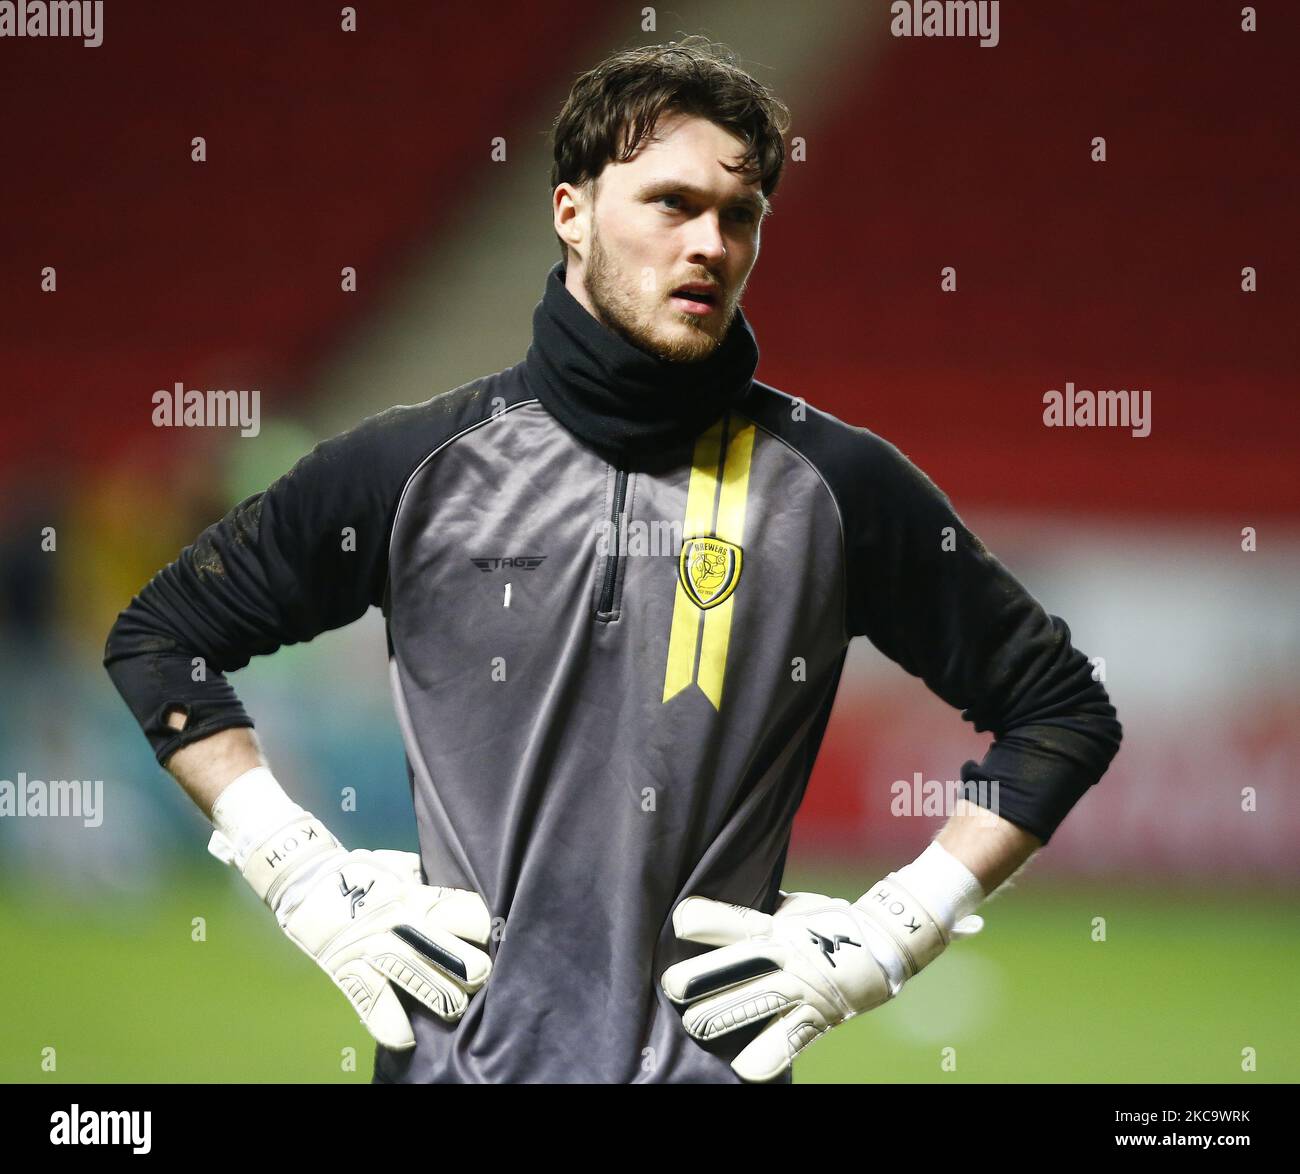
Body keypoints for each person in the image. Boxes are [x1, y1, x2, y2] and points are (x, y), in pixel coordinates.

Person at [104, 37, 1121, 1084]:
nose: (710, 245)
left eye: (740, 216)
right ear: (570, 213)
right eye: (671, 205)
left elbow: (1059, 712)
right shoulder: (414, 466)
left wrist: (898, 928)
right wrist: (297, 872)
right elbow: (160, 637)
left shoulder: (837, 486)